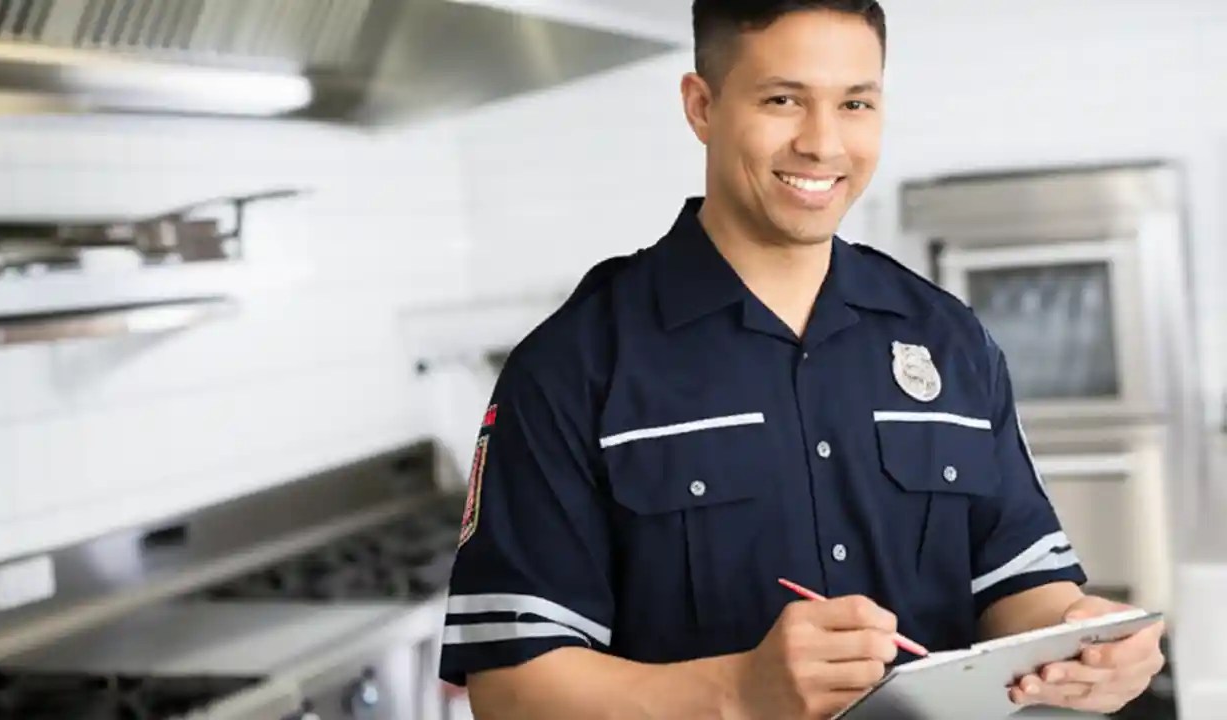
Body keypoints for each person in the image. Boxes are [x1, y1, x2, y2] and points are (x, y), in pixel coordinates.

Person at [438, 1, 1167, 718]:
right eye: (783, 99)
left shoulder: (949, 338)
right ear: (701, 106)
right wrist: (737, 693)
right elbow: (510, 689)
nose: (824, 144)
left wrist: (1082, 641)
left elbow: (1019, 583)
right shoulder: (571, 365)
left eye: (855, 103)